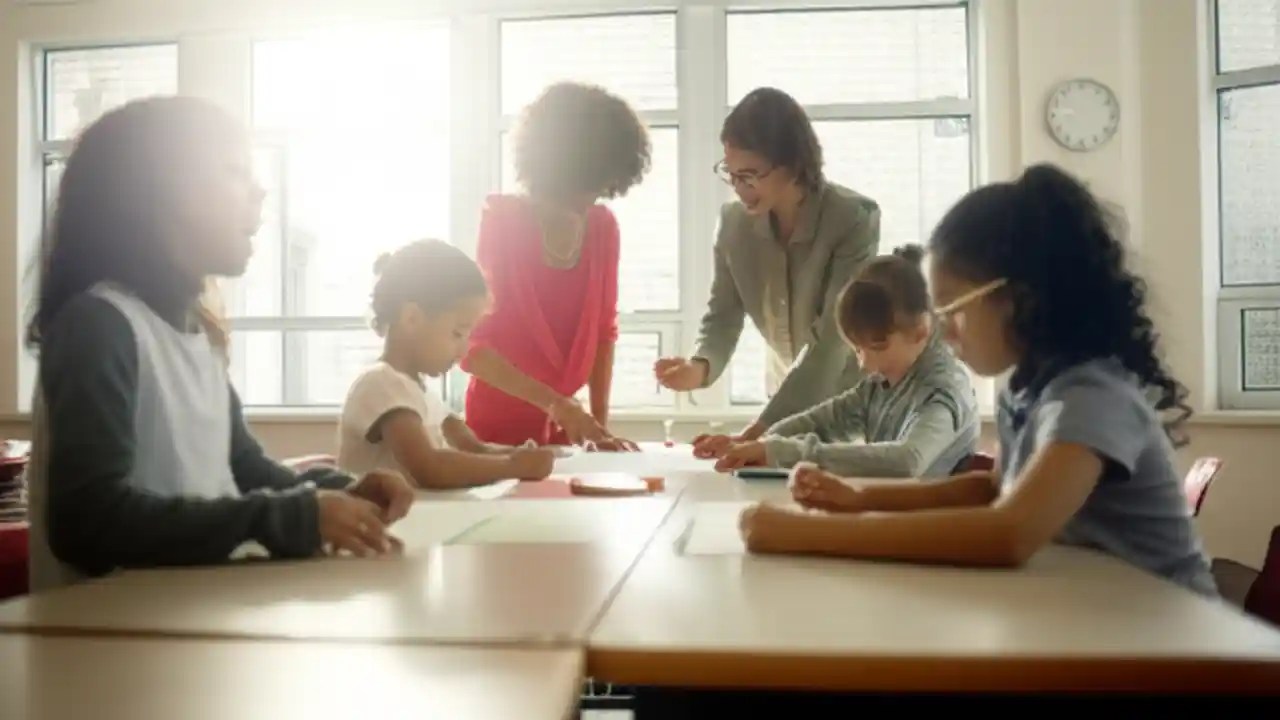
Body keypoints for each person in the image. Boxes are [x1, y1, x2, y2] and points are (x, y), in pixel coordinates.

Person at [738, 164, 1218, 597]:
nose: (942, 329)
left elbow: (1009, 532)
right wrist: (862, 498)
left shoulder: (1092, 396)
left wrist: (807, 535)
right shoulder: (1030, 388)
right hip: (1100, 615)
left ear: (1017, 297)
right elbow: (992, 489)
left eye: (952, 308)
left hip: (1176, 648)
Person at [25, 97, 415, 591]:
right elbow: (87, 522)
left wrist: (339, 492)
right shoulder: (99, 325)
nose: (260, 190)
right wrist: (284, 518)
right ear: (157, 195)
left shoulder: (196, 334)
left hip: (183, 617)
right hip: (98, 636)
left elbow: (243, 468)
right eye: (234, 172)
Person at [653, 87, 881, 458]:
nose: (740, 187)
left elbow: (832, 342)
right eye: (731, 173)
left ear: (792, 165)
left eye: (751, 175)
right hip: (783, 399)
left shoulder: (853, 217)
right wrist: (699, 367)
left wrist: (756, 433)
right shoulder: (733, 224)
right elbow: (723, 313)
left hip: (853, 402)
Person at [462, 82, 649, 451]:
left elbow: (603, 332)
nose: (597, 193)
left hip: (569, 432)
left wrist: (598, 427)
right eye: (591, 180)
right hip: (495, 431)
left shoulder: (603, 227)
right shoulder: (502, 221)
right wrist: (557, 404)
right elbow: (474, 347)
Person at [714, 245, 979, 478]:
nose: (865, 365)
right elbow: (825, 420)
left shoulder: (943, 390)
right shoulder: (882, 384)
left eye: (876, 348)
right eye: (857, 351)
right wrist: (764, 443)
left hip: (923, 530)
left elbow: (906, 461)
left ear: (921, 330)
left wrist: (779, 451)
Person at [339, 240, 555, 488]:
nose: (464, 350)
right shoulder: (381, 384)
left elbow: (475, 449)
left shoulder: (419, 393)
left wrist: (523, 457)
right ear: (412, 318)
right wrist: (514, 466)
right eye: (457, 333)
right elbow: (430, 468)